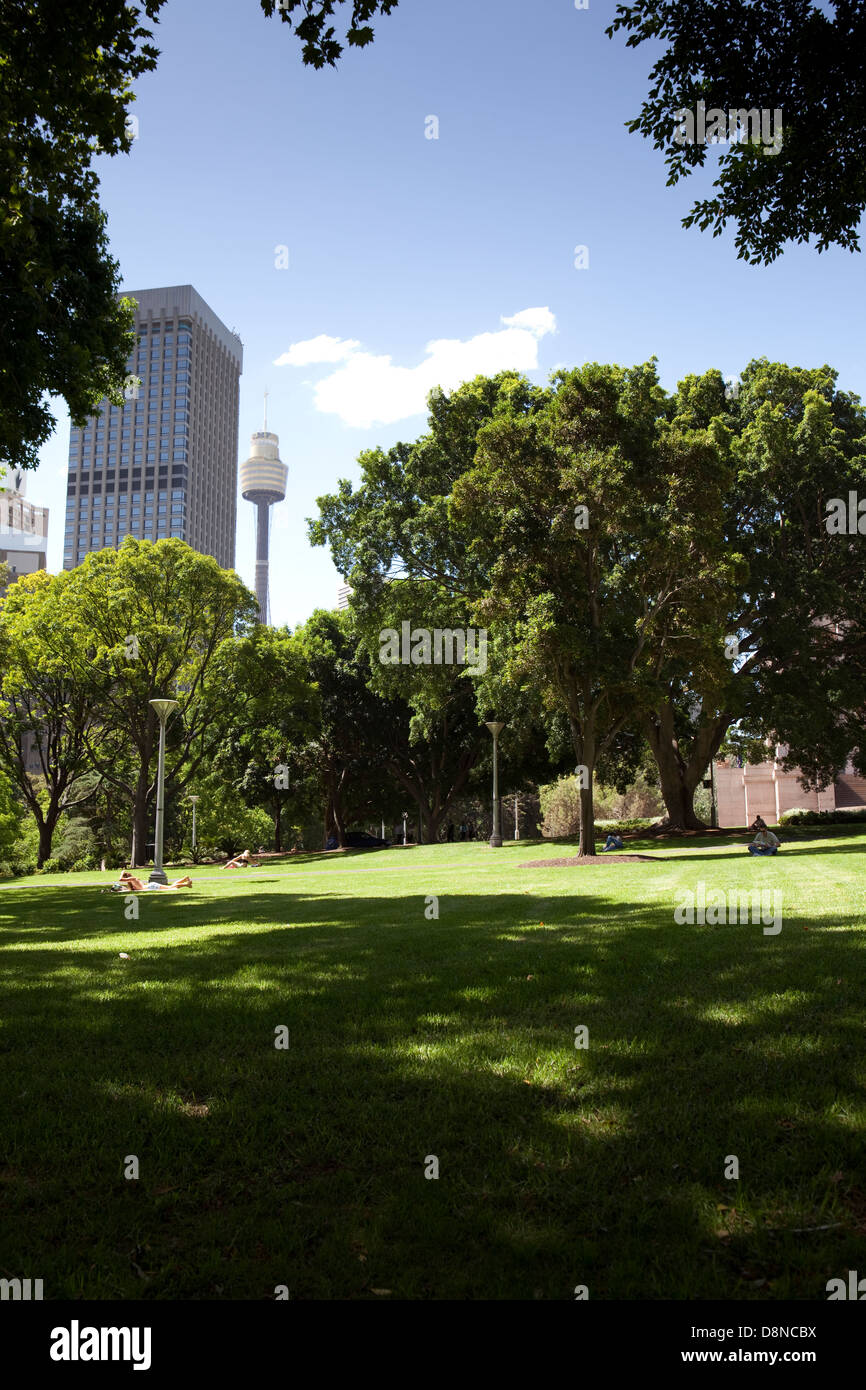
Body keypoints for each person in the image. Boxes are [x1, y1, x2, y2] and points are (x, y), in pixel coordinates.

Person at [114, 871, 193, 891]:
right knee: (170, 886)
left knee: (171, 887)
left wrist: (121, 873)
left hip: (151, 886)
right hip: (150, 885)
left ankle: (186, 884)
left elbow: (120, 879)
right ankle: (185, 879)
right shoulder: (134, 880)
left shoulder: (133, 879)